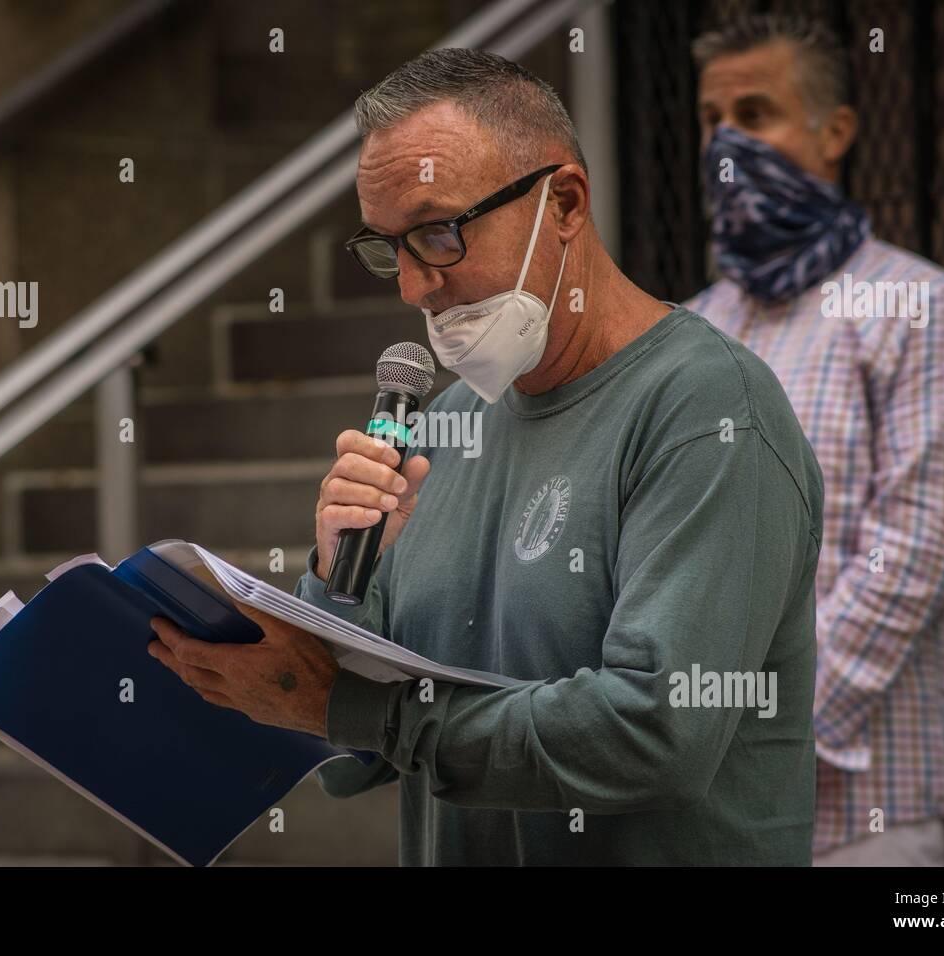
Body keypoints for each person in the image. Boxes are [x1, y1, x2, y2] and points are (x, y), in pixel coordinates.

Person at [149, 47, 824, 865]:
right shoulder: (441, 428)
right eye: (387, 247)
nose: (412, 286)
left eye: (438, 233)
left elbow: (655, 732)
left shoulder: (709, 409)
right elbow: (345, 761)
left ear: (565, 201)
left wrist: (363, 714)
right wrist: (334, 585)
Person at [683, 15, 944, 865]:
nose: (727, 145)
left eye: (755, 115)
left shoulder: (924, 309)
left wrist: (760, 723)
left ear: (836, 133)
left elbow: (917, 553)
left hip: (871, 805)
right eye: (711, 120)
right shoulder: (686, 331)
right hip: (704, 810)